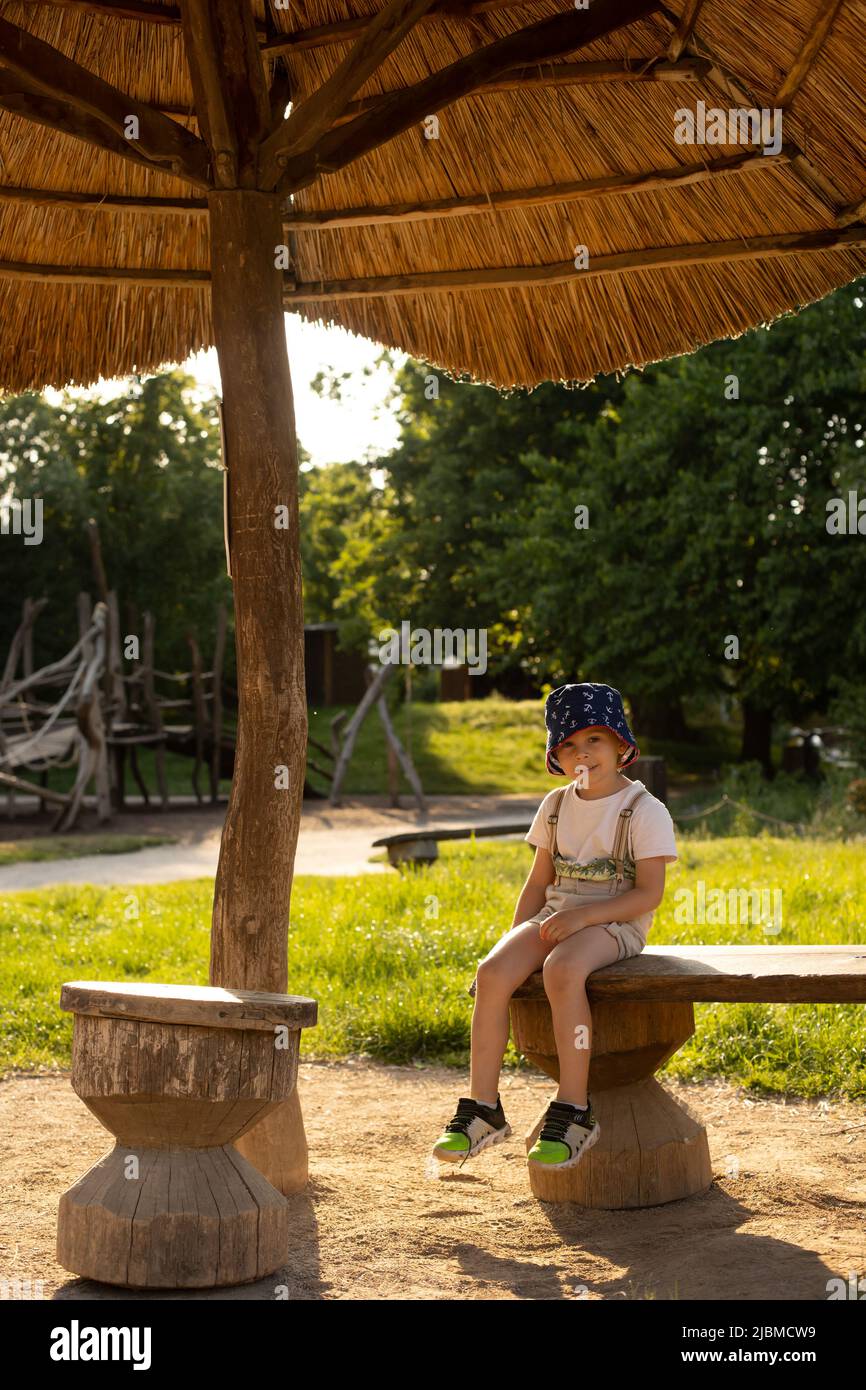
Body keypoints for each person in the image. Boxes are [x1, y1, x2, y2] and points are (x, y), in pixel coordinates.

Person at [432, 682, 678, 1170]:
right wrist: (511, 941)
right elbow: (538, 882)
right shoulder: (557, 805)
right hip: (556, 916)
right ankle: (484, 1107)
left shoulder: (644, 810)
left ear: (621, 746)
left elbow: (648, 894)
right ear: (556, 756)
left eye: (594, 740)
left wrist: (584, 916)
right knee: (492, 971)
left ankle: (574, 1108)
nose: (582, 752)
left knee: (563, 969)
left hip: (615, 921)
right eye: (568, 744)